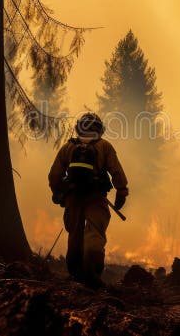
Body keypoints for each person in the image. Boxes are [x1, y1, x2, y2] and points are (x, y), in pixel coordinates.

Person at [48, 112, 128, 288]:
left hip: (73, 199)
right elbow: (116, 171)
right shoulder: (104, 146)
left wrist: (60, 193)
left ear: (78, 128)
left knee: (74, 235)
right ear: (99, 129)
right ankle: (91, 276)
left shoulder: (67, 148)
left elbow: (54, 176)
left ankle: (75, 275)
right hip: (96, 199)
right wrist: (121, 191)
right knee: (94, 233)